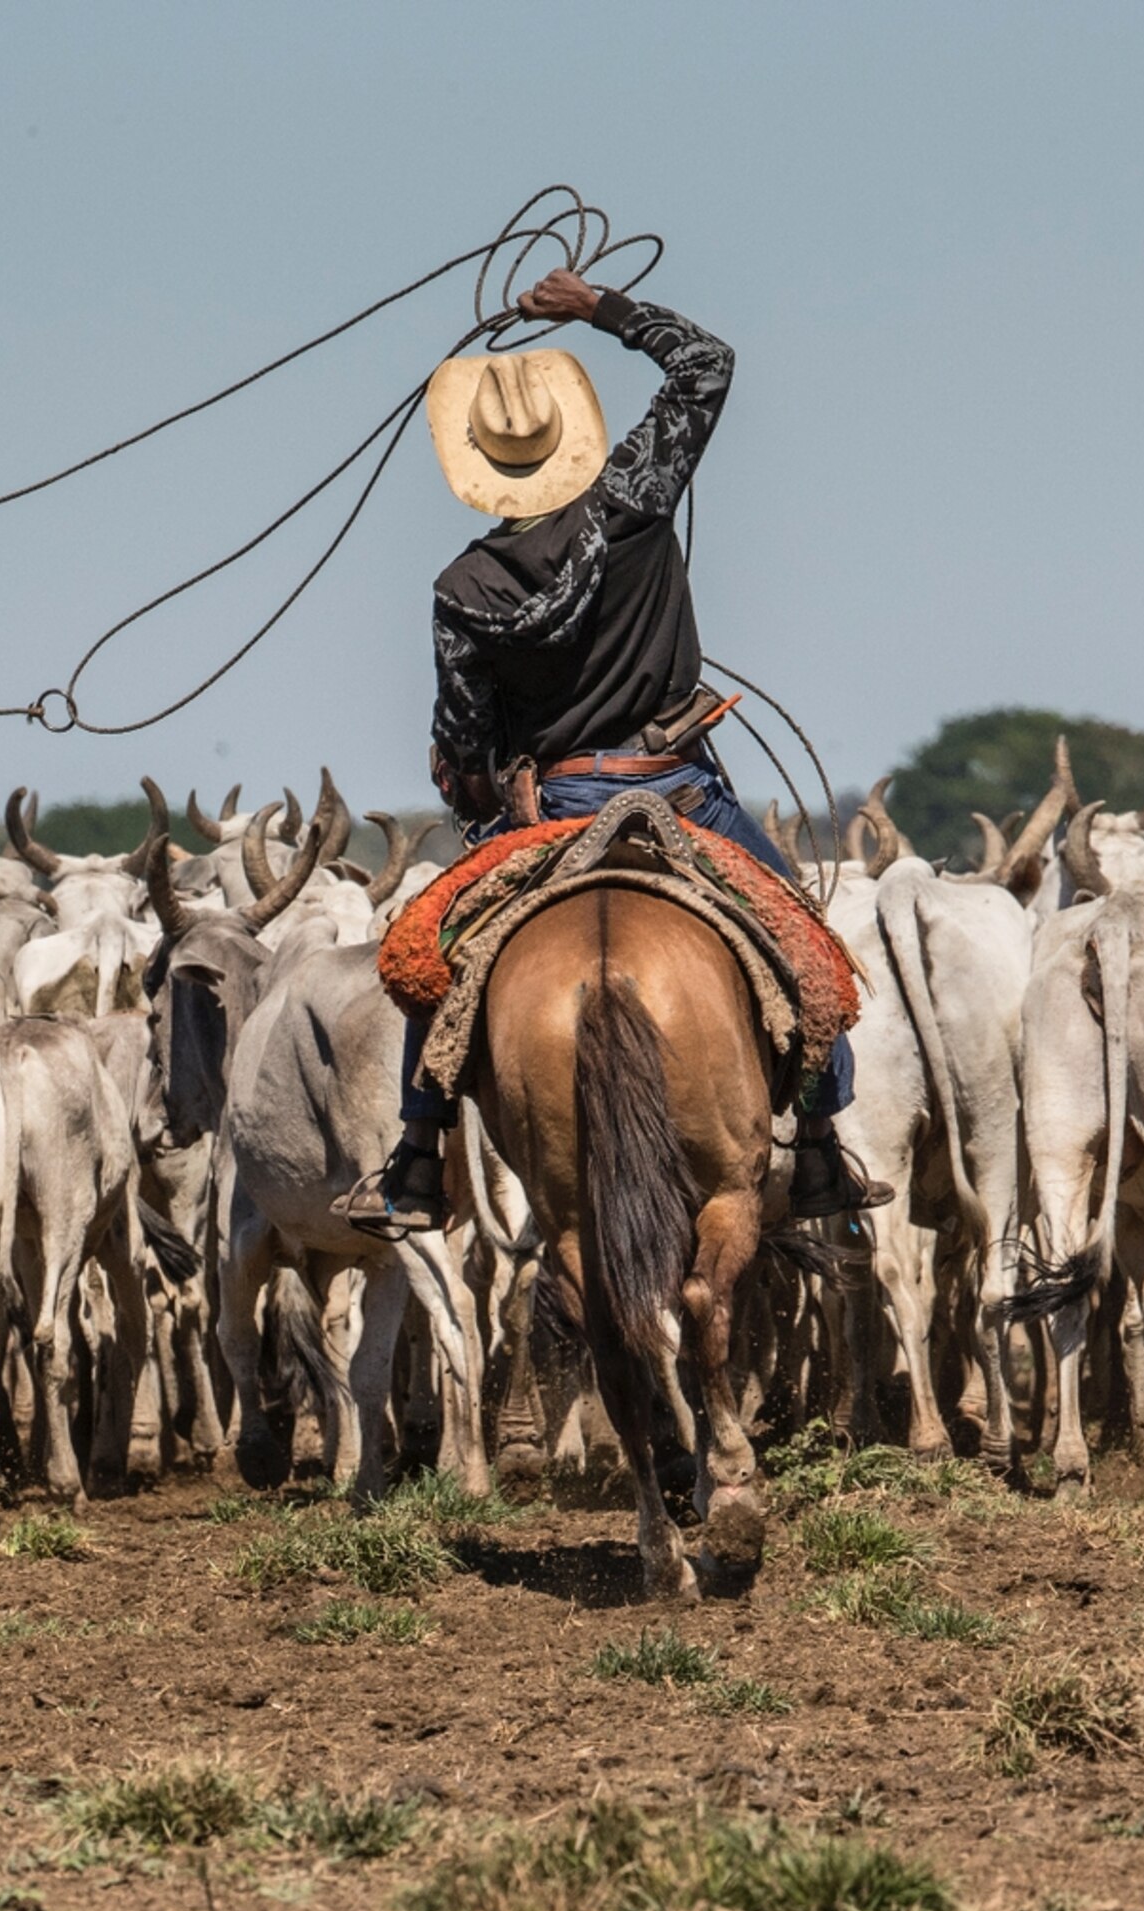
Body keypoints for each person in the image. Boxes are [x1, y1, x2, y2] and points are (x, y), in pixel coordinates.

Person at [339, 268, 891, 1240]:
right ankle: (817, 1147)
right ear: (570, 438)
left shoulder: (463, 590)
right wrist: (598, 308)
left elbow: (464, 744)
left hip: (553, 811)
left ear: (480, 462)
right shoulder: (634, 499)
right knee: (807, 949)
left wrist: (476, 778)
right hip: (681, 794)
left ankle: (417, 1156)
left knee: (431, 957)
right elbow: (705, 364)